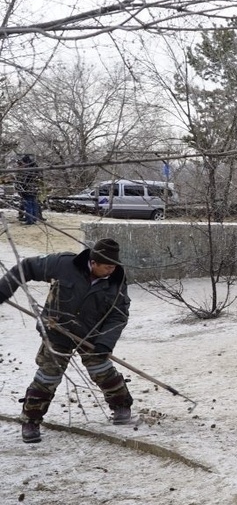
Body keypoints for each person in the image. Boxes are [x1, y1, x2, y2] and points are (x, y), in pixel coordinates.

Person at [0, 238, 133, 443]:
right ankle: (31, 420)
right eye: (107, 267)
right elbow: (26, 267)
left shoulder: (116, 280)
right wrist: (4, 290)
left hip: (91, 334)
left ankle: (121, 406)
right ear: (93, 262)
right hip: (56, 330)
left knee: (101, 369)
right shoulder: (63, 264)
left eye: (114, 266)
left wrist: (105, 343)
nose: (111, 270)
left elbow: (119, 315)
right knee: (48, 376)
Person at [14, 154, 41, 225]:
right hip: (35, 189)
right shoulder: (36, 169)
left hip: (27, 189)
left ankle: (29, 220)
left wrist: (18, 184)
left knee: (28, 204)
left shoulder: (27, 170)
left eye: (23, 162)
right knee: (33, 204)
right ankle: (34, 218)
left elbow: (23, 180)